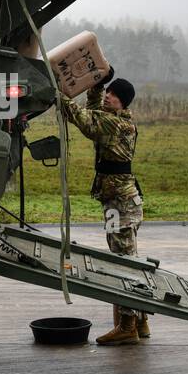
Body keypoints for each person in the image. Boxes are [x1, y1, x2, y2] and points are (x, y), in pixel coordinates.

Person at [56, 72, 148, 345]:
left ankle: (127, 326)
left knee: (122, 264)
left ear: (123, 103)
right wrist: (95, 87)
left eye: (114, 95)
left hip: (120, 206)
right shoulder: (114, 119)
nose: (109, 96)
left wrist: (57, 93)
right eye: (108, 91)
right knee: (128, 259)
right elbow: (93, 111)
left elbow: (85, 121)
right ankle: (140, 322)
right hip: (119, 201)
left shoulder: (116, 125)